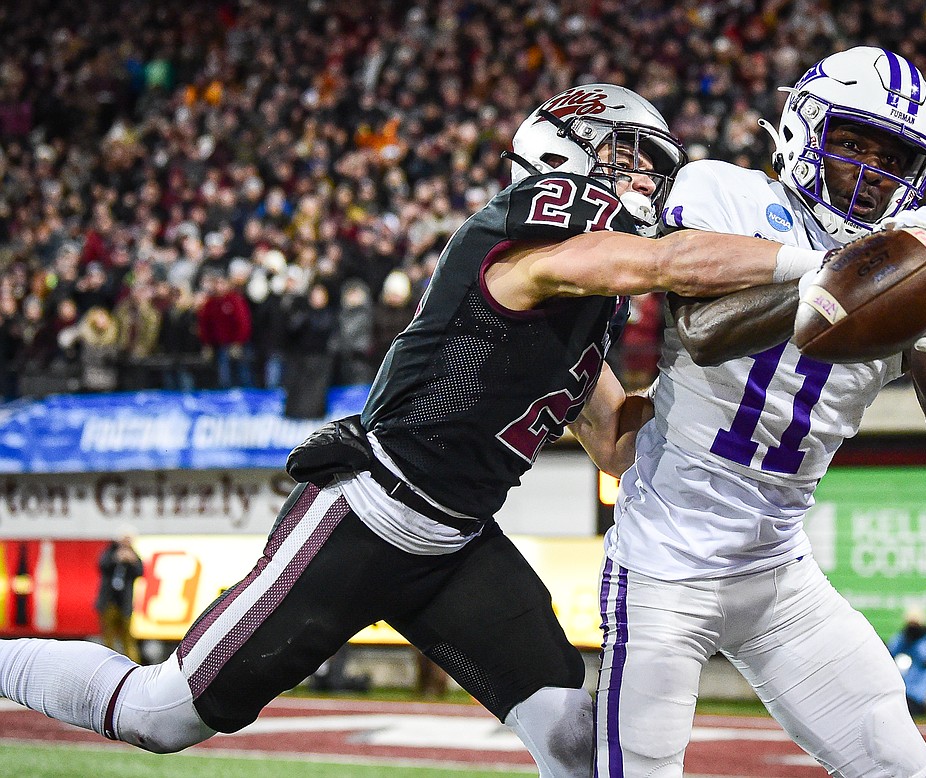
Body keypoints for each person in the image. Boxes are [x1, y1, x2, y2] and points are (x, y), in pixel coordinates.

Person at [0, 84, 826, 777]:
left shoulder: (587, 303)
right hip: (368, 513)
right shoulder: (526, 233)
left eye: (653, 167)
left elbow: (616, 446)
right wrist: (811, 261)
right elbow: (654, 261)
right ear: (561, 152)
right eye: (626, 156)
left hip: (459, 545)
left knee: (578, 747)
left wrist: (697, 380)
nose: (645, 179)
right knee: (162, 713)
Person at [595, 47, 926, 778]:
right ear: (805, 128)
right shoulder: (726, 194)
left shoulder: (925, 251)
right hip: (664, 559)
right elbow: (703, 333)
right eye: (852, 141)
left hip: (778, 566)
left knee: (900, 766)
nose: (872, 172)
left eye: (894, 155)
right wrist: (846, 277)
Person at [95, 532, 144, 664]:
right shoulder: (110, 552)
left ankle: (133, 667)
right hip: (109, 602)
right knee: (108, 637)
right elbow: (101, 565)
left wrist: (132, 561)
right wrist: (116, 559)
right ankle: (108, 664)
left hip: (125, 604)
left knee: (127, 638)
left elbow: (140, 571)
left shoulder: (133, 555)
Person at [887, 606, 926, 717]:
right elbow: (890, 652)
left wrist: (915, 640)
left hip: (916, 696)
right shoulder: (903, 637)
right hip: (898, 691)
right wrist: (905, 638)